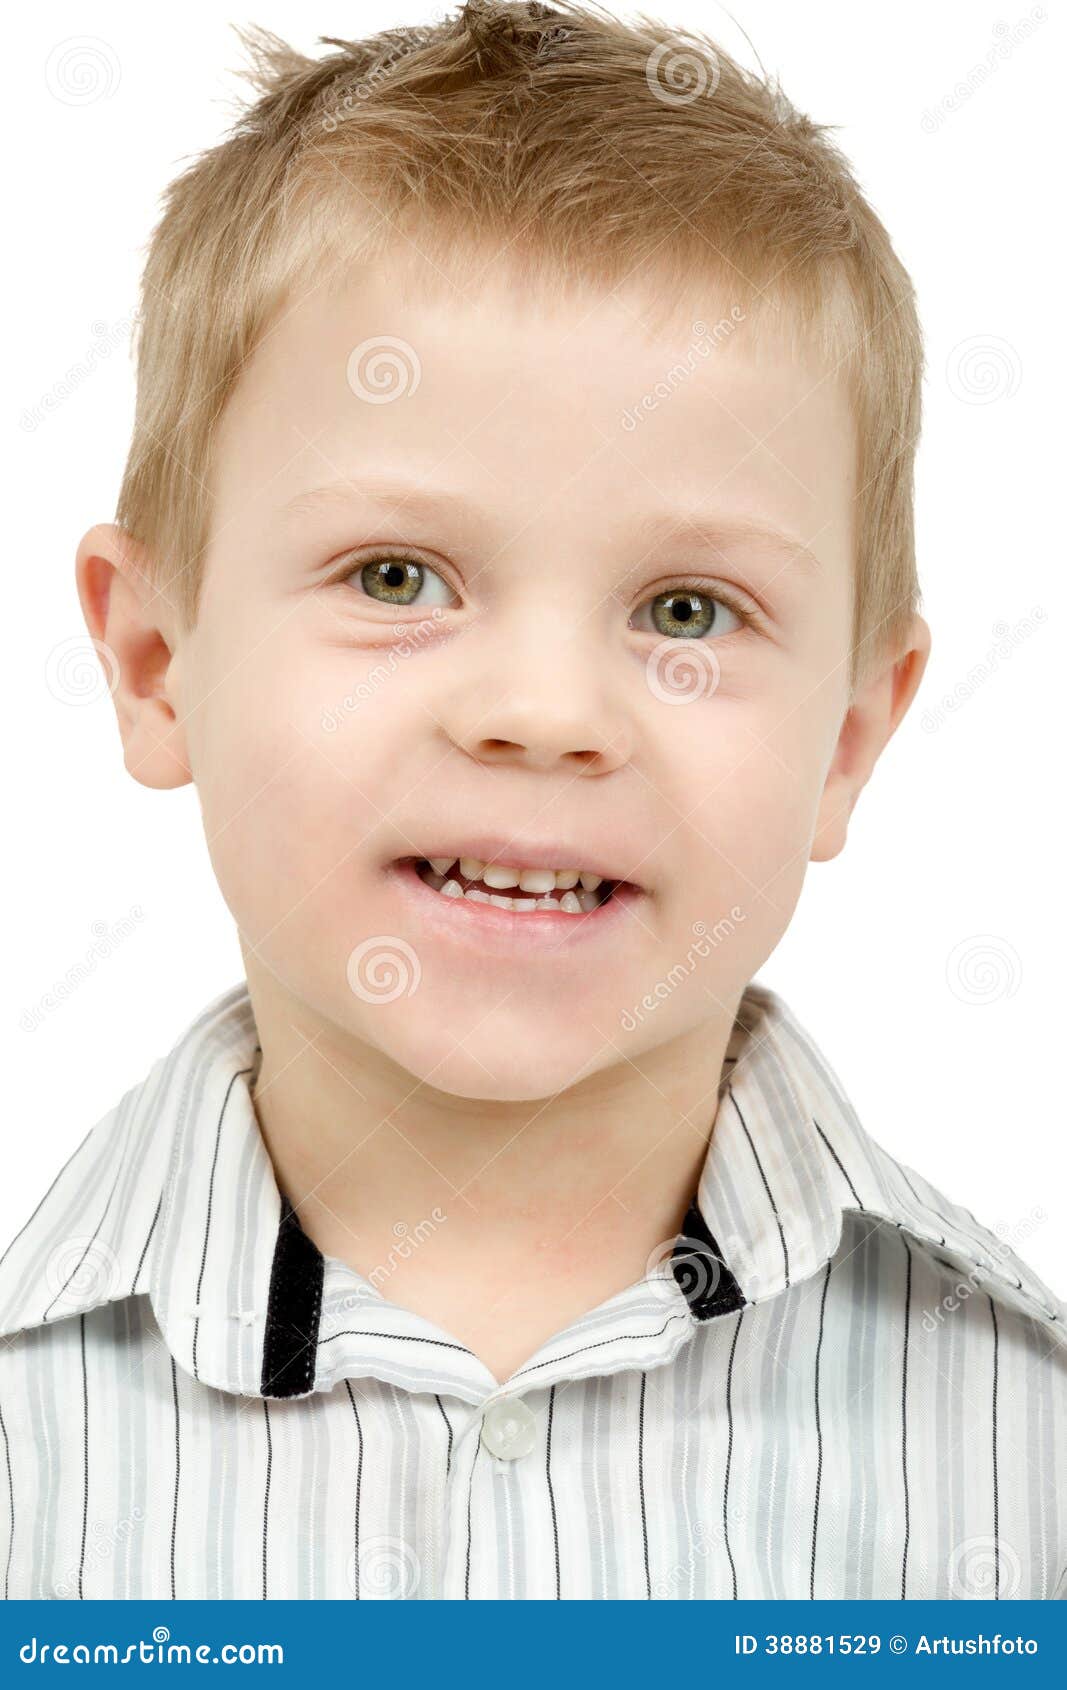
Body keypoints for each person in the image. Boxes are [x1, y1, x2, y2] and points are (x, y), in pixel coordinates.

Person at [2, 0, 1063, 1600]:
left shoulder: (1026, 1453)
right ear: (156, 662)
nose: (547, 714)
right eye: (396, 575)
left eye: (688, 610)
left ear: (849, 739)